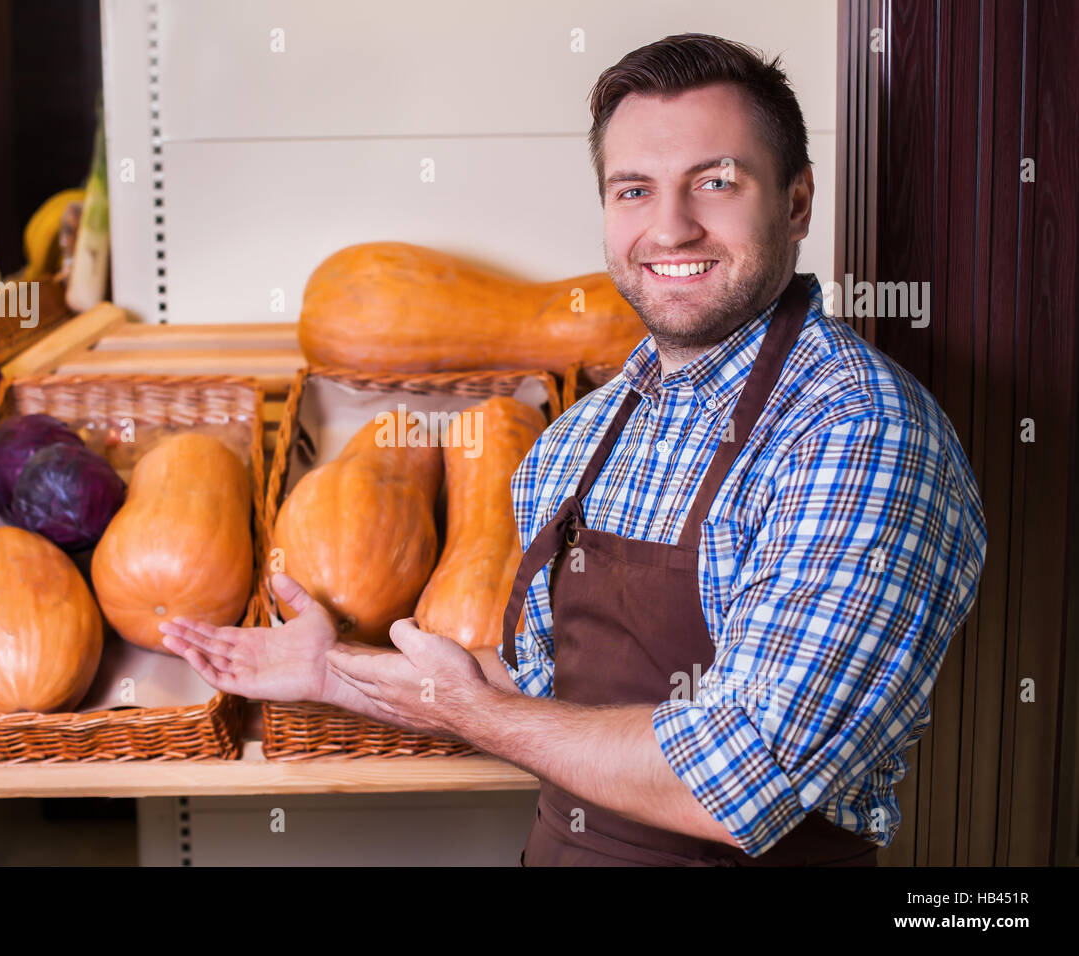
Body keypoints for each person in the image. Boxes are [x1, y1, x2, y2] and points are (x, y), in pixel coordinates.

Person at [160, 33, 987, 866]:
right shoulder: (584, 436)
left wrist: (470, 713)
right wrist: (338, 671)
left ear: (798, 202)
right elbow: (539, 682)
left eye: (716, 182)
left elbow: (747, 776)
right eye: (635, 190)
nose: (671, 227)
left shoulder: (855, 433)